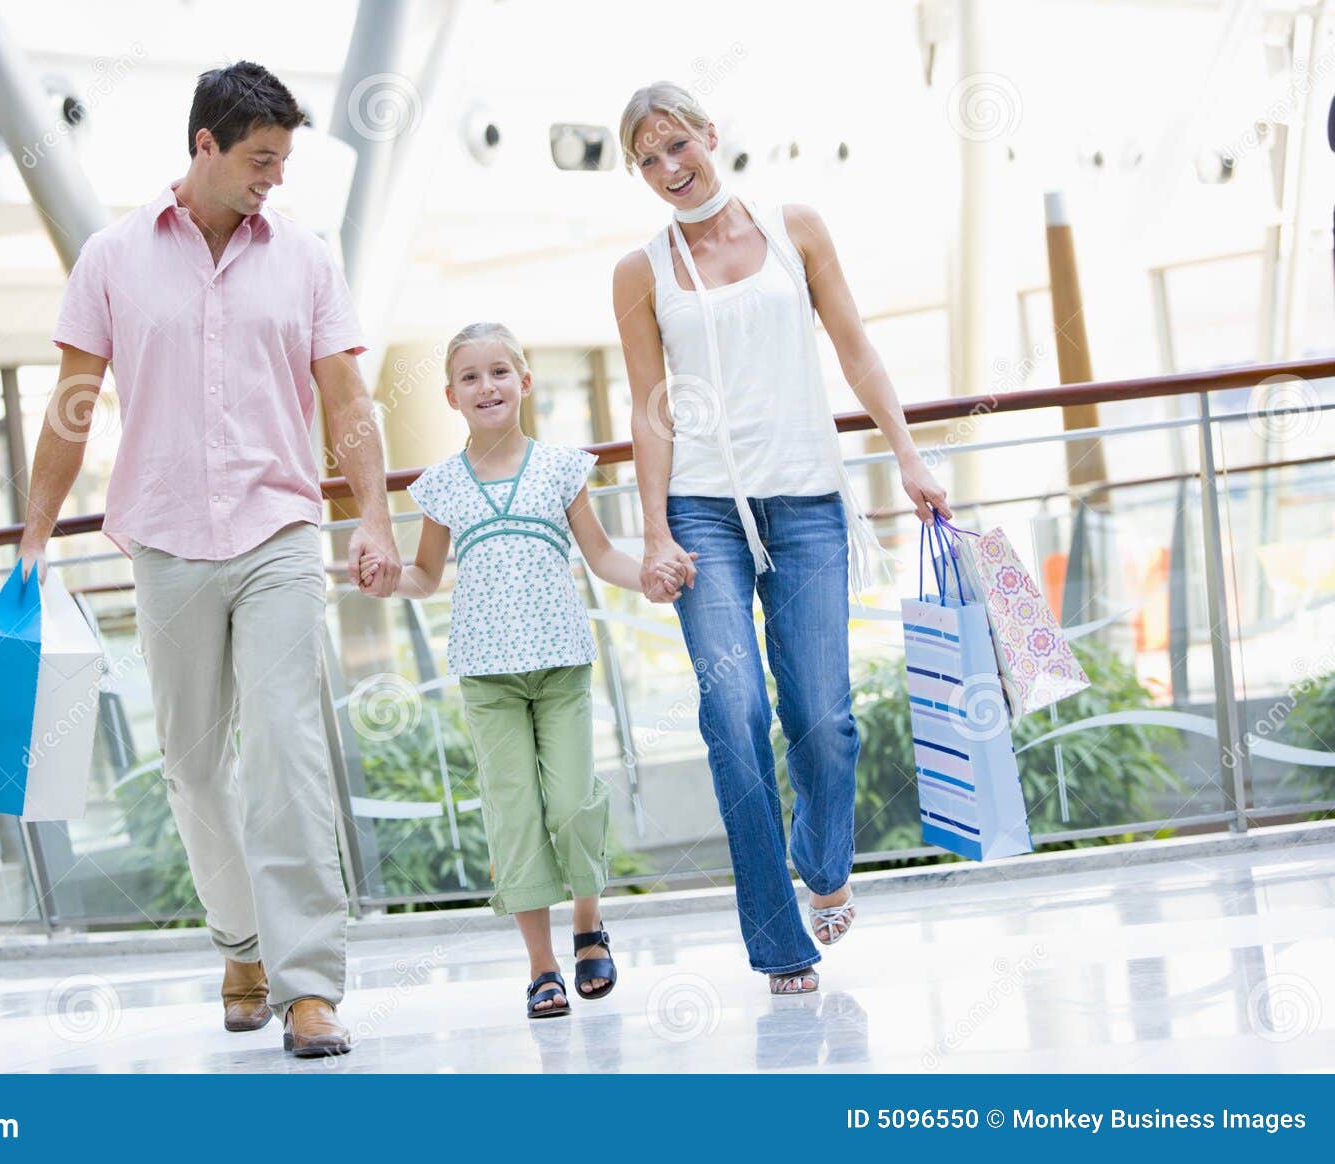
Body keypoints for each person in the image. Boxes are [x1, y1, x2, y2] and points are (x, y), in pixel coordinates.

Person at [20, 61, 402, 1057]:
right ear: (204, 147)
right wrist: (32, 531)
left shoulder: (307, 259)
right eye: (259, 158)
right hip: (166, 537)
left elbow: (347, 402)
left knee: (287, 748)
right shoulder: (112, 257)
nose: (274, 175)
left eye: (284, 158)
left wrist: (372, 518)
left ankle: (309, 984)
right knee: (192, 767)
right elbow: (70, 403)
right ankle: (240, 944)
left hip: (278, 530)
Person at [611, 82, 950, 995]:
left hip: (803, 503)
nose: (668, 169)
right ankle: (777, 939)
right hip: (702, 513)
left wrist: (909, 457)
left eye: (678, 145)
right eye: (647, 159)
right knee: (734, 716)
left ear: (711, 136)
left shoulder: (795, 228)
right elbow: (650, 408)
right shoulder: (641, 271)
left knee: (822, 720)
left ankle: (826, 862)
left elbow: (856, 348)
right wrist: (652, 532)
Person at [363, 322, 688, 1018]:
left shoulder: (561, 468)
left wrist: (650, 576)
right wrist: (388, 579)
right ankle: (541, 966)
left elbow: (602, 556)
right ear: (451, 396)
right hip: (487, 675)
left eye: (500, 372)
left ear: (525, 382)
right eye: (472, 378)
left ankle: (587, 922)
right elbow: (423, 576)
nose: (488, 386)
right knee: (514, 816)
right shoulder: (441, 486)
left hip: (561, 664)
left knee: (571, 801)